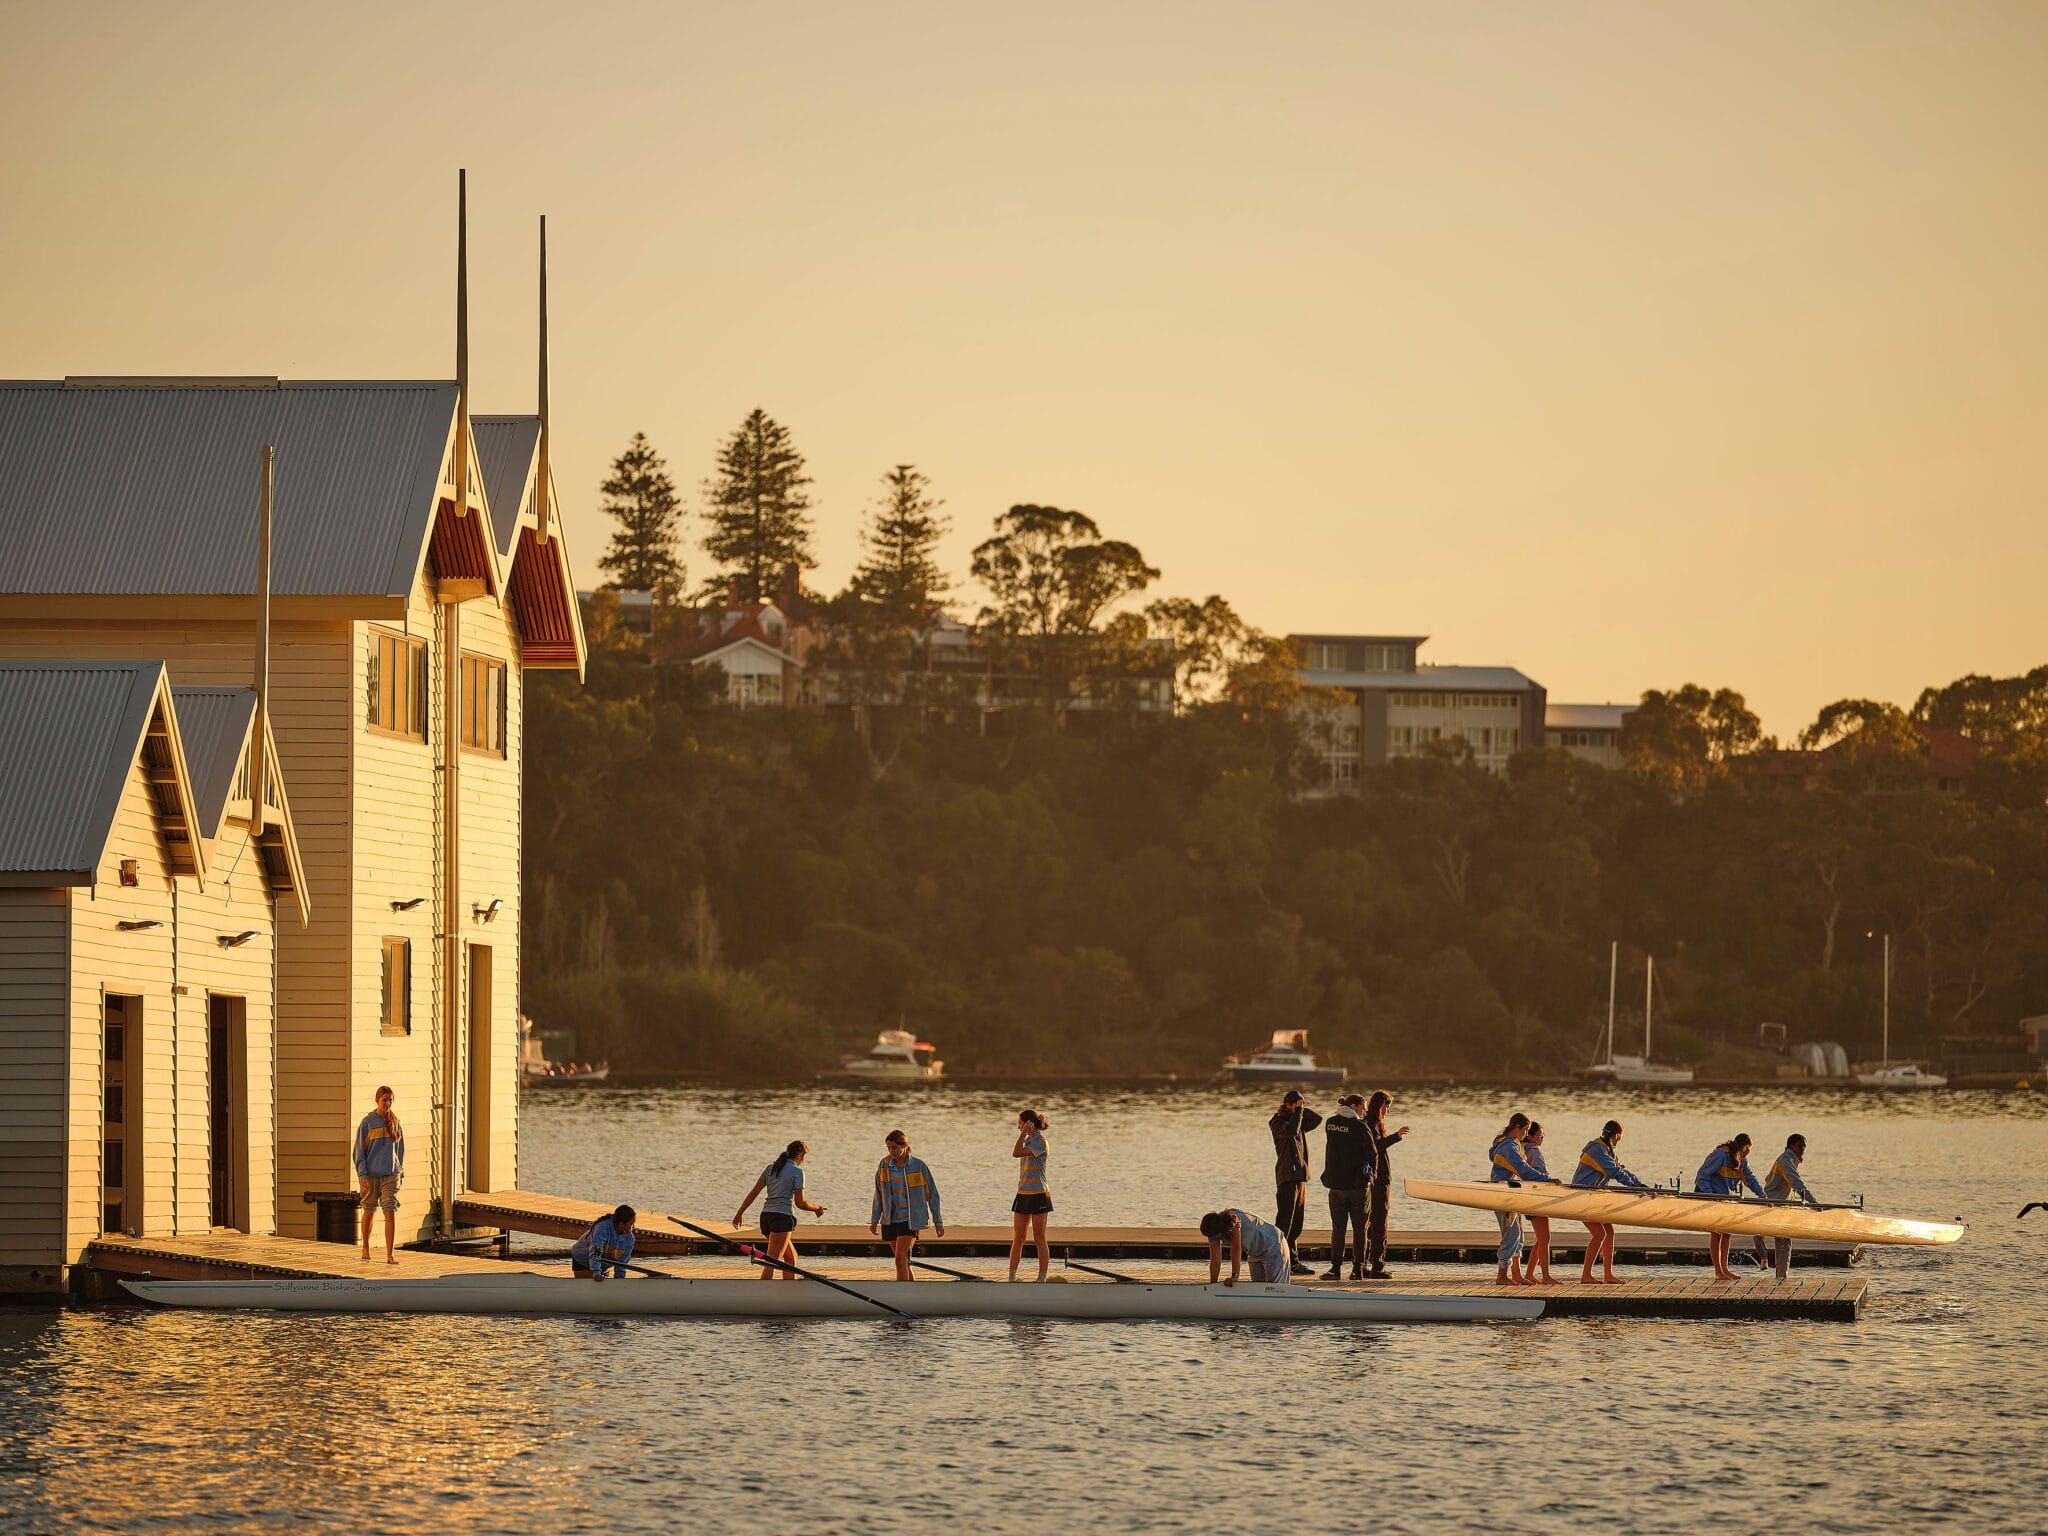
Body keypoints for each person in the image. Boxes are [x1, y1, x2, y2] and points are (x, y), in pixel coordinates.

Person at [734, 1140, 827, 1280]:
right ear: (799, 1155)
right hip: (781, 1219)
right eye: (804, 1157)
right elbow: (800, 1203)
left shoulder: (770, 1168)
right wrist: (816, 1209)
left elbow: (753, 1193)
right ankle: (763, 1292)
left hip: (766, 1217)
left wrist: (740, 1213)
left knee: (791, 1258)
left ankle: (788, 1291)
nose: (803, 1161)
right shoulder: (797, 1172)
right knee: (772, 1262)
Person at [1572, 1119, 1649, 1284]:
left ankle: (1608, 1275)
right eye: (1620, 1137)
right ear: (1616, 1136)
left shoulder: (1607, 1150)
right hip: (1581, 1197)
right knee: (1599, 1234)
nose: (1620, 1140)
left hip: (1594, 1197)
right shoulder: (1598, 1150)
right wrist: (1636, 1187)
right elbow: (1614, 1172)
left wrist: (1640, 1185)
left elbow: (1621, 1170)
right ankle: (1586, 1275)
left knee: (1609, 1231)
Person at [1488, 1112, 1556, 1285]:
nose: (1526, 1134)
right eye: (1525, 1130)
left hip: (1512, 1195)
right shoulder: (1509, 1147)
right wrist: (1547, 1179)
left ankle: (1516, 1275)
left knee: (1518, 1235)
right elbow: (1524, 1171)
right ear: (1517, 1127)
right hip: (1504, 1196)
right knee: (1511, 1235)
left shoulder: (1508, 1143)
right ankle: (1502, 1276)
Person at [869, 1129, 944, 1280]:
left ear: (904, 1146)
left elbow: (932, 1195)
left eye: (894, 1147)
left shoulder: (918, 1166)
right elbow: (878, 1194)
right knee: (903, 1261)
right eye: (889, 1148)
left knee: (900, 1258)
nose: (891, 1151)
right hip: (890, 1219)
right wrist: (874, 1219)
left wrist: (938, 1221)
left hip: (910, 1219)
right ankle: (912, 1290)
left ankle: (900, 1290)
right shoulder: (884, 1165)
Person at [1695, 1133, 1766, 1281]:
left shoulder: (1742, 1161)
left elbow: (1750, 1179)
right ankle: (1718, 1271)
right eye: (1748, 1149)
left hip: (1726, 1201)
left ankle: (1725, 1270)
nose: (1748, 1152)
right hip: (1712, 1199)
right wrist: (1711, 1194)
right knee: (1716, 1233)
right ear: (1744, 1147)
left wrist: (1762, 1195)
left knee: (1727, 1233)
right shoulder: (1720, 1155)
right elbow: (1702, 1176)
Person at [1320, 1093, 1375, 1280]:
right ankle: (1357, 1269)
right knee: (1360, 1230)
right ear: (1354, 1106)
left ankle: (1335, 1269)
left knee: (1338, 1229)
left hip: (1336, 1186)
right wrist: (1371, 1176)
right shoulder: (1361, 1126)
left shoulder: (1331, 1123)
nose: (1365, 1111)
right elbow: (1372, 1154)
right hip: (1358, 1187)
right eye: (1363, 1107)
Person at [1268, 1090, 1323, 1275]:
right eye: (1297, 1104)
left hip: (1300, 1177)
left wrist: (1301, 1107)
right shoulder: (1277, 1123)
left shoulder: (1298, 1121)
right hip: (1287, 1177)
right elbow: (1290, 1131)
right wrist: (1298, 1111)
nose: (1300, 1108)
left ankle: (1293, 1262)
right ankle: (1278, 1261)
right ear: (1288, 1105)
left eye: (1301, 1105)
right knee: (1285, 1222)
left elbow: (1317, 1119)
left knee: (1297, 1224)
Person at [1753, 1133, 1818, 1281]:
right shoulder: (1785, 1160)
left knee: (1783, 1241)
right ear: (1791, 1146)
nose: (1802, 1149)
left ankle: (1781, 1276)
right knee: (1757, 1231)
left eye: (1804, 1146)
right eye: (1800, 1146)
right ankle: (1764, 1257)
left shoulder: (1789, 1160)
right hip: (1771, 1204)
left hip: (1783, 1206)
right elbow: (1796, 1182)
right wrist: (1812, 1201)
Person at [352, 1086, 404, 1265]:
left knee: (389, 1210)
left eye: (390, 1100)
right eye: (384, 1100)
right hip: (371, 1175)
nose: (387, 1103)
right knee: (369, 1209)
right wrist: (362, 1174)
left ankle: (390, 1254)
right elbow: (359, 1151)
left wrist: (399, 1171)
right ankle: (365, 1248)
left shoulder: (395, 1123)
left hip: (390, 1175)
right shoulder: (367, 1122)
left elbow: (400, 1150)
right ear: (377, 1101)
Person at [1362, 1091, 1409, 1278]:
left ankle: (1364, 1264)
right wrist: (1396, 1136)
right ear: (1380, 1106)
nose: (1388, 1111)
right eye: (1387, 1107)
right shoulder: (1371, 1123)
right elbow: (1376, 1146)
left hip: (1373, 1179)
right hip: (1378, 1179)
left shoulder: (1369, 1122)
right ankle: (1377, 1266)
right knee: (1379, 1222)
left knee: (1369, 1222)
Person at [1008, 1109, 1053, 1282]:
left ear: (1028, 1124)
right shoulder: (1027, 1140)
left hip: (1039, 1193)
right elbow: (1017, 1151)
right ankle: (1011, 1277)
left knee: (1039, 1238)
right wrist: (1024, 1134)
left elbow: (1016, 1153)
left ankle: (1041, 1278)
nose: (1018, 1127)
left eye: (1020, 1123)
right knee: (1018, 1237)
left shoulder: (1041, 1142)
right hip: (1023, 1193)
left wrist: (1024, 1133)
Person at [1201, 1207, 1292, 1286]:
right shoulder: (1211, 1231)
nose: (1213, 1239)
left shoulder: (1233, 1219)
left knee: (1275, 1289)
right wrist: (1212, 1286)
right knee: (1259, 1289)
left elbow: (1236, 1249)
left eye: (1215, 1237)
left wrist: (1234, 1276)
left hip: (1273, 1245)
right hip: (1254, 1253)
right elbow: (1215, 1261)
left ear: (1221, 1229)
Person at [1521, 1121, 1556, 1283]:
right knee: (1545, 1238)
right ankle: (1546, 1276)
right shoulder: (1534, 1151)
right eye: (1540, 1135)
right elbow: (1540, 1174)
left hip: (1528, 1198)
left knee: (1541, 1238)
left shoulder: (1523, 1149)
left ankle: (1529, 1274)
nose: (1542, 1138)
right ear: (1531, 1135)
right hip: (1536, 1198)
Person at [571, 1204, 637, 1281]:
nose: (632, 1227)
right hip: (582, 1259)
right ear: (621, 1223)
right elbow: (596, 1251)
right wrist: (596, 1272)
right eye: (630, 1224)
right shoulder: (602, 1228)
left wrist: (619, 1280)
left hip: (601, 1264)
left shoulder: (630, 1239)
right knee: (590, 1284)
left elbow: (622, 1263)